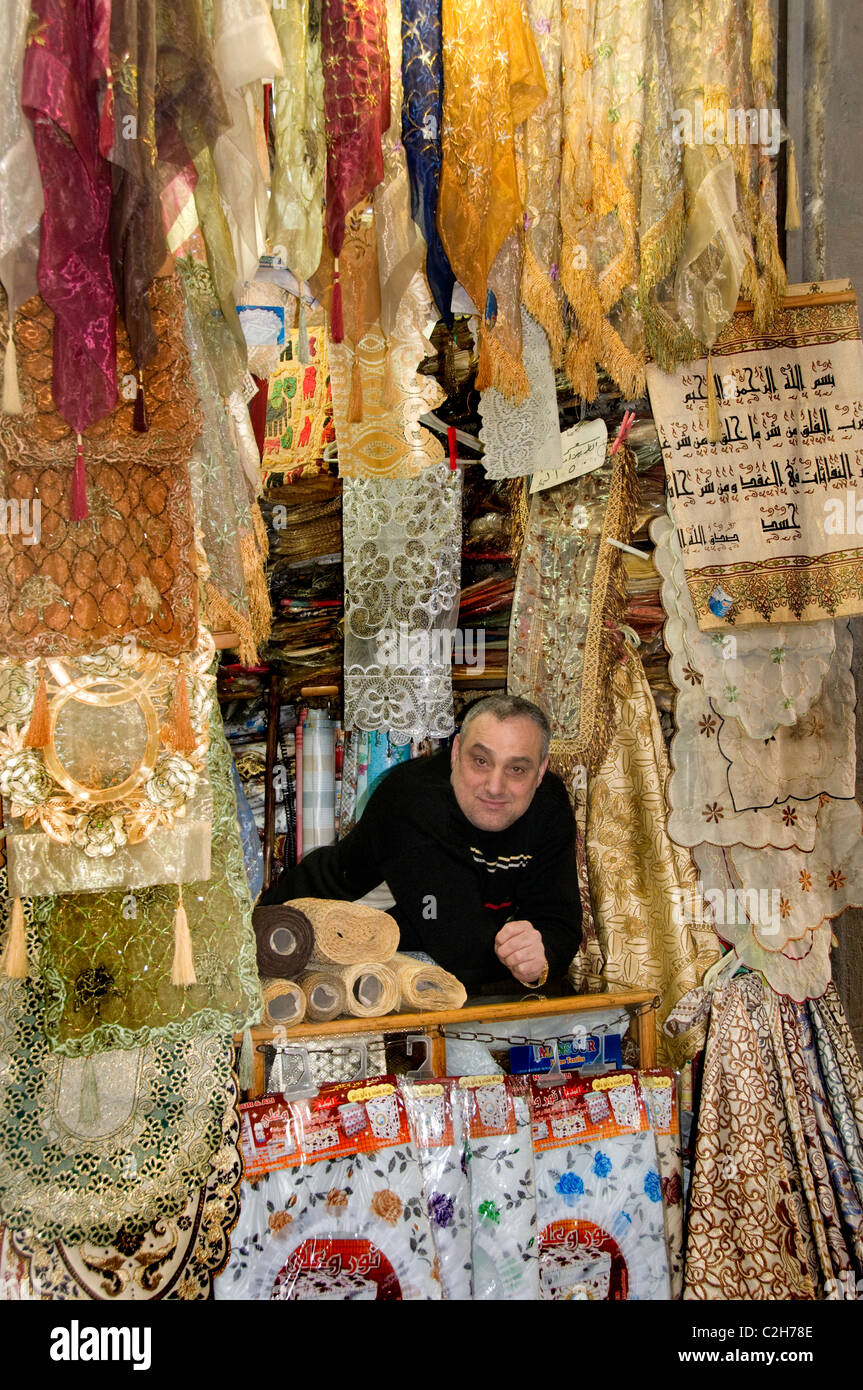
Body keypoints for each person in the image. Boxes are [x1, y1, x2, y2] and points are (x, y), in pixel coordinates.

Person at [260, 695, 582, 992]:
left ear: (539, 772)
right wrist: (521, 960)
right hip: (295, 942)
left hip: (403, 962)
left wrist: (542, 957)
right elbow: (463, 953)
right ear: (456, 753)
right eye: (481, 761)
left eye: (516, 769)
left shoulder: (548, 806)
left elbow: (558, 922)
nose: (495, 787)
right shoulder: (414, 803)